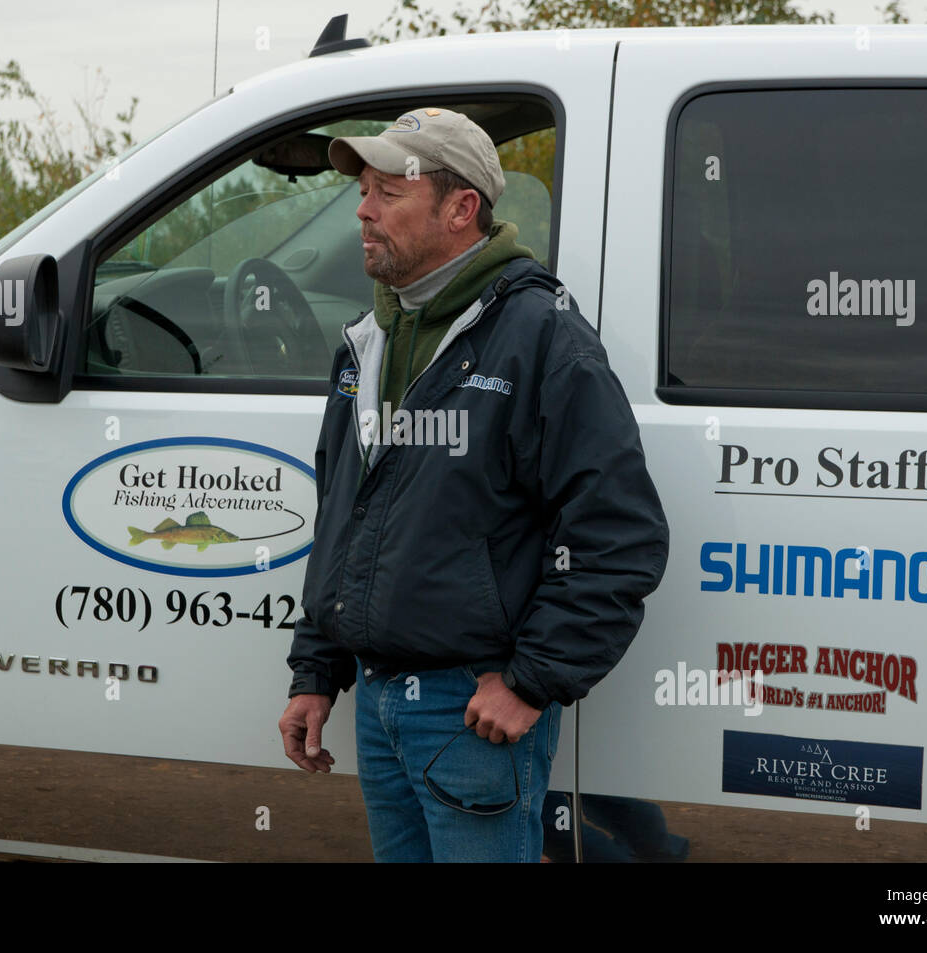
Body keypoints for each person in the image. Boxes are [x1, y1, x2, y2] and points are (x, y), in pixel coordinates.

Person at [277, 107, 669, 862]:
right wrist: (317, 668)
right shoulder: (370, 338)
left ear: (461, 209)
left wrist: (530, 681)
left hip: (470, 714)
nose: (361, 209)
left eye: (389, 192)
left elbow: (617, 536)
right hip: (380, 702)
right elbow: (344, 519)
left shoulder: (543, 339)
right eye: (363, 190)